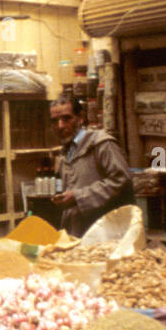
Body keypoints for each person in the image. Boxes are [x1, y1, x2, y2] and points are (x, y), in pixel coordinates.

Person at [49, 92, 135, 236]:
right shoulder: (66, 152)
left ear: (81, 118)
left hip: (107, 234)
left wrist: (78, 196)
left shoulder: (101, 143)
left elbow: (122, 180)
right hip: (80, 233)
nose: (60, 126)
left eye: (66, 118)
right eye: (54, 121)